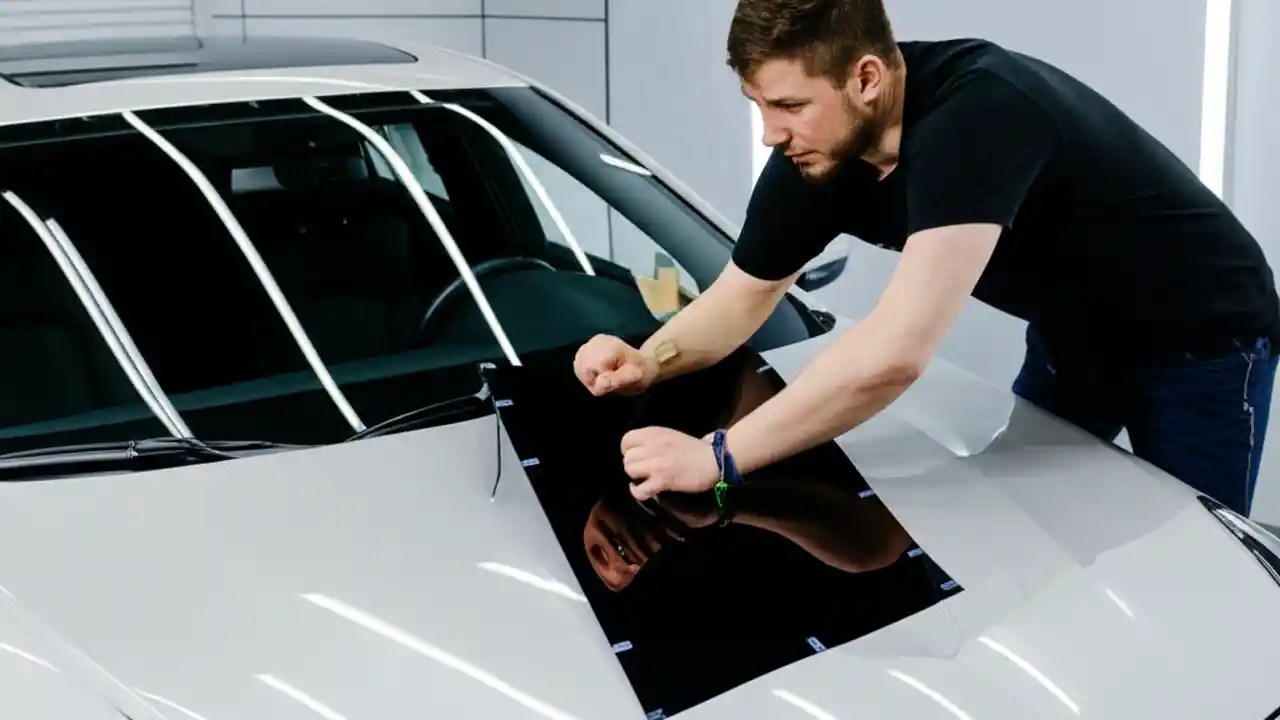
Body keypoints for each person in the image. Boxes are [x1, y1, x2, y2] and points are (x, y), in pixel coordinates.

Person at [572, 0, 1280, 517]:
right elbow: (741, 298)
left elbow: (895, 354)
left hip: (1201, 341)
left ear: (868, 78)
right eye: (757, 104)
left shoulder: (982, 113)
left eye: (788, 104)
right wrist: (646, 360)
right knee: (1033, 524)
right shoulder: (816, 157)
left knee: (1196, 553)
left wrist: (718, 458)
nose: (769, 134)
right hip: (1075, 334)